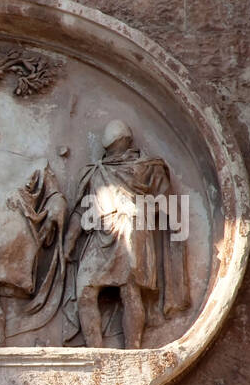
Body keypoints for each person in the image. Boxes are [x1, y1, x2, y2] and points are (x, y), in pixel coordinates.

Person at [63, 120, 186, 349]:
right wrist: (70, 241)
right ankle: (95, 351)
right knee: (85, 290)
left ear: (124, 142)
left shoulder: (147, 168)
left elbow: (166, 201)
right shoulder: (96, 171)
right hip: (100, 234)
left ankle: (133, 348)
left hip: (131, 230)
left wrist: (165, 218)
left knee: (129, 290)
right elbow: (82, 209)